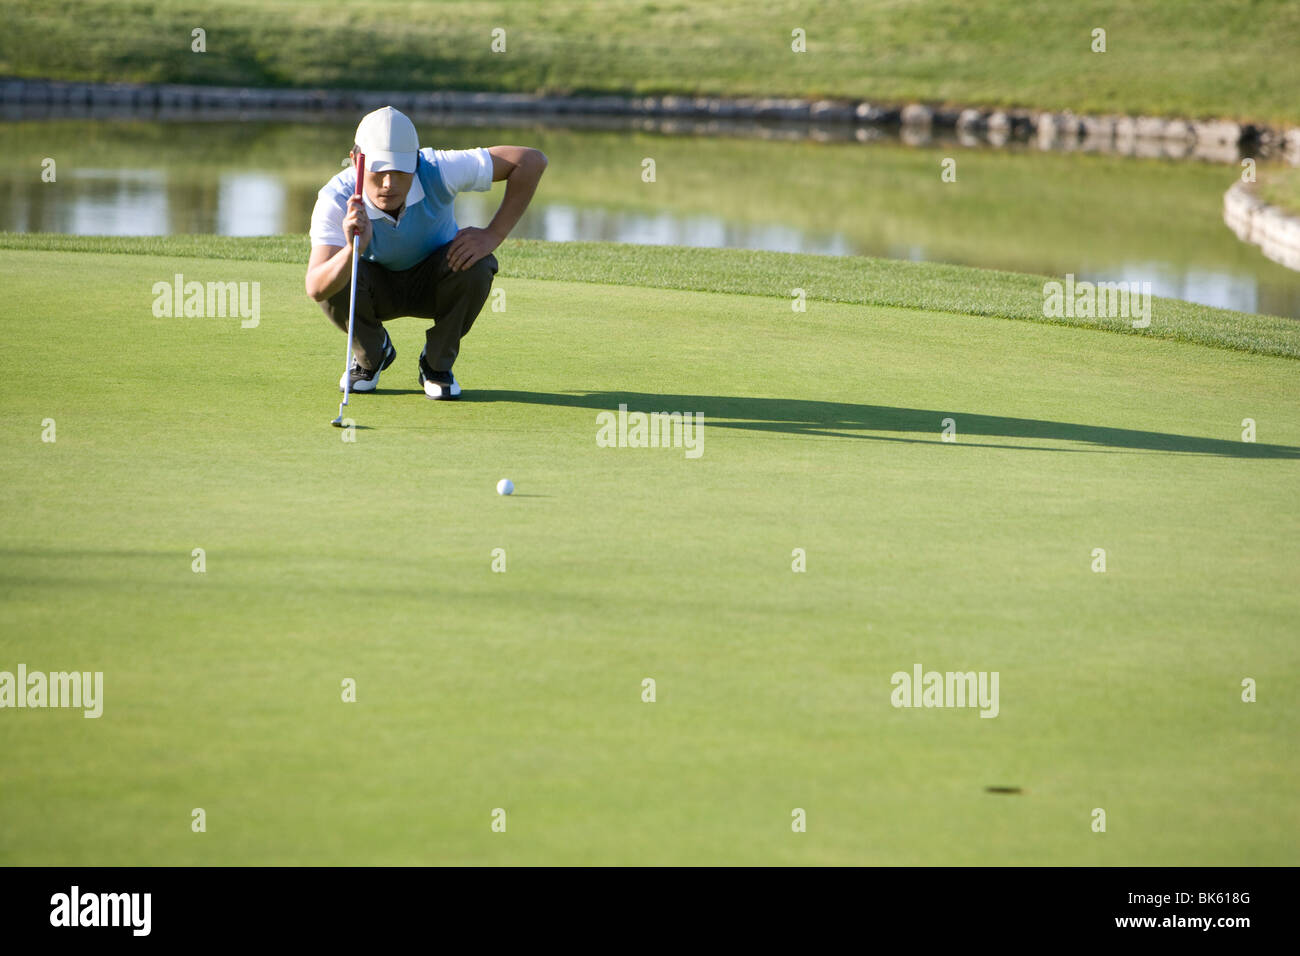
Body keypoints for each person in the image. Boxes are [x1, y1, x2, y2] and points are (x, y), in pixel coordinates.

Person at [305, 106, 547, 399]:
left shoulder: (438, 168)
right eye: (379, 171)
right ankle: (372, 354)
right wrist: (353, 251)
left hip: (434, 280)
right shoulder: (336, 198)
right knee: (337, 273)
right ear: (356, 160)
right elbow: (316, 287)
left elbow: (531, 161)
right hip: (372, 288)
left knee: (478, 263)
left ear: (416, 161)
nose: (389, 184)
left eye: (400, 172)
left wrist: (492, 234)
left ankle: (436, 366)